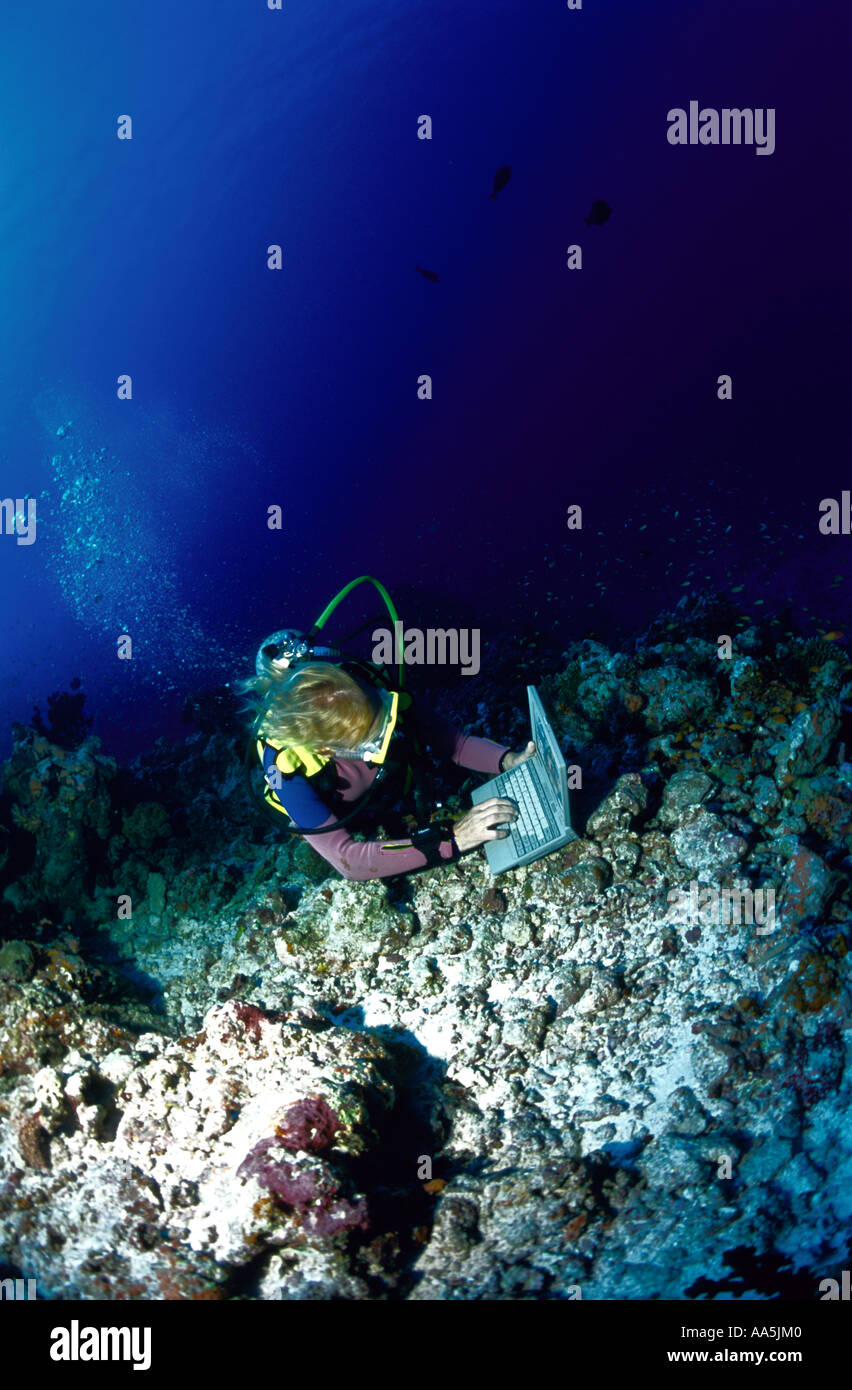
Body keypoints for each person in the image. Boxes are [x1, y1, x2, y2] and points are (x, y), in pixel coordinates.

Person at [240, 646, 535, 881]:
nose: (388, 739)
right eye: (372, 742)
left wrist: (509, 759)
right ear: (326, 750)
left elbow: (454, 743)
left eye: (386, 722)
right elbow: (349, 860)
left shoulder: (370, 690)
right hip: (349, 816)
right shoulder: (286, 771)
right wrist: (453, 838)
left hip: (399, 793)